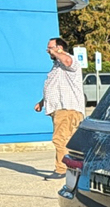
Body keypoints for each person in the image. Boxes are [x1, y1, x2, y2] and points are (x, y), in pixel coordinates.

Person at [35, 37, 83, 179]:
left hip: (67, 109)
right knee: (67, 140)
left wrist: (57, 53)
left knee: (60, 139)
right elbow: (54, 86)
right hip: (59, 109)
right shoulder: (56, 66)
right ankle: (75, 168)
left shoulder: (69, 60)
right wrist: (42, 102)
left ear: (59, 48)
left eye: (50, 48)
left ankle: (61, 169)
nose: (48, 51)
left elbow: (68, 62)